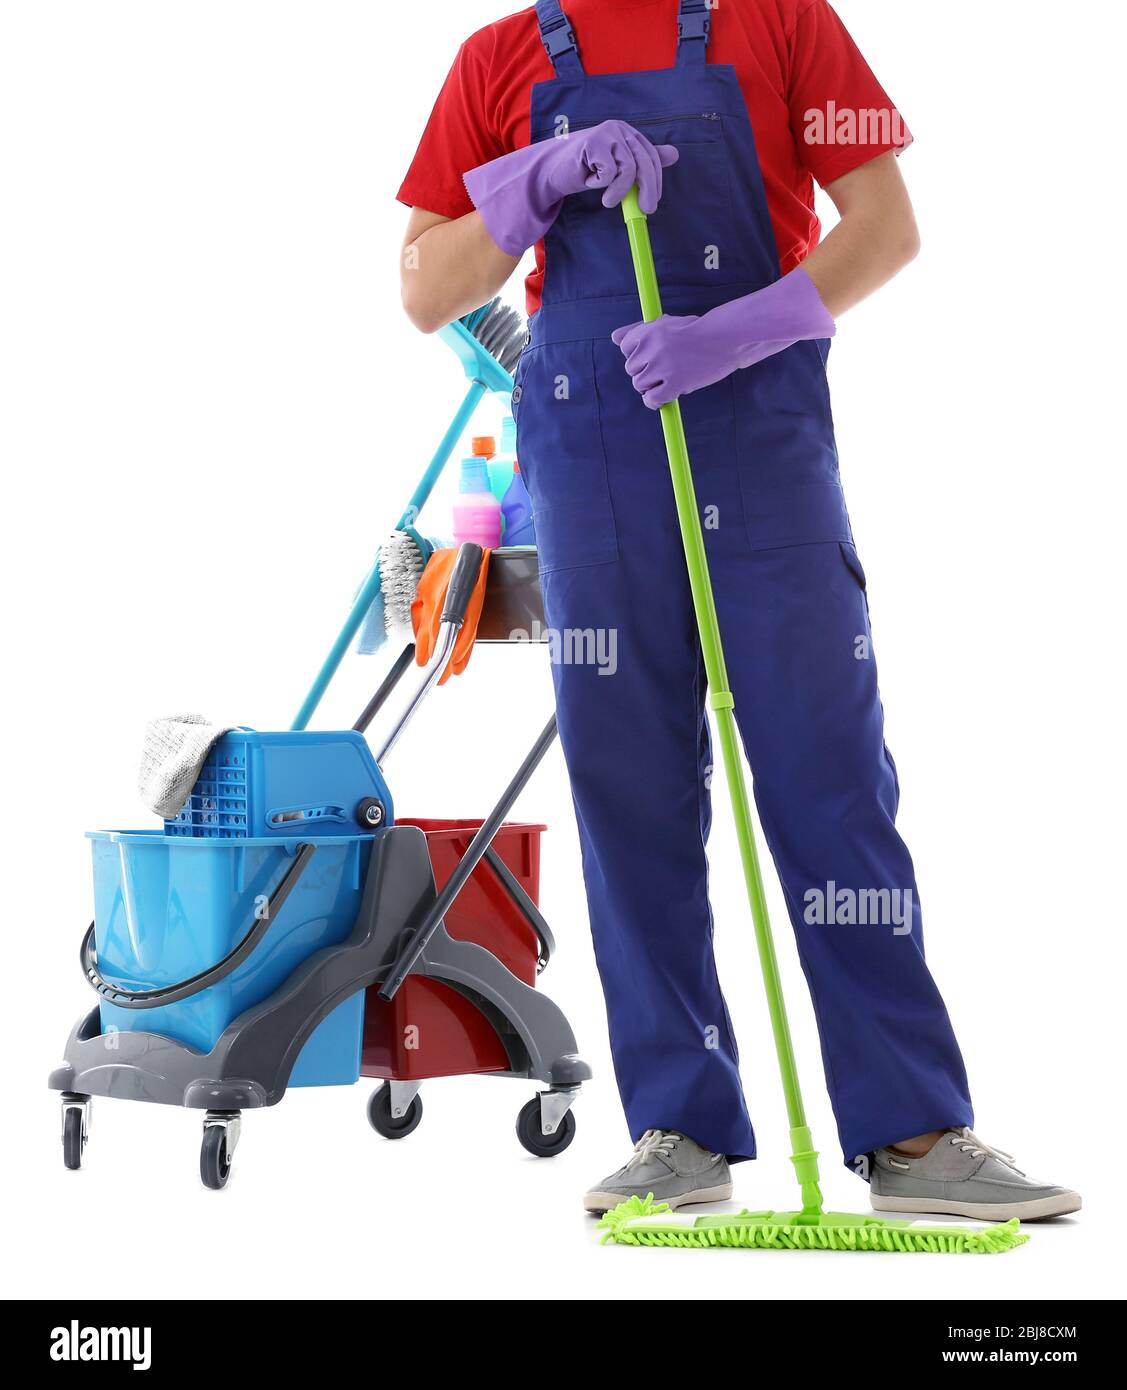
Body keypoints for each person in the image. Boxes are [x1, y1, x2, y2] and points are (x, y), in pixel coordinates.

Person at [397, 0, 1079, 1221]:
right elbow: (421, 285)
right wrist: (534, 182)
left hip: (756, 438)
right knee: (628, 788)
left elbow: (887, 225)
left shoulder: (783, 20)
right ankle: (677, 1128)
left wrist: (738, 329)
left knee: (828, 775)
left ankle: (915, 1132)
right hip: (596, 462)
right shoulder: (495, 58)